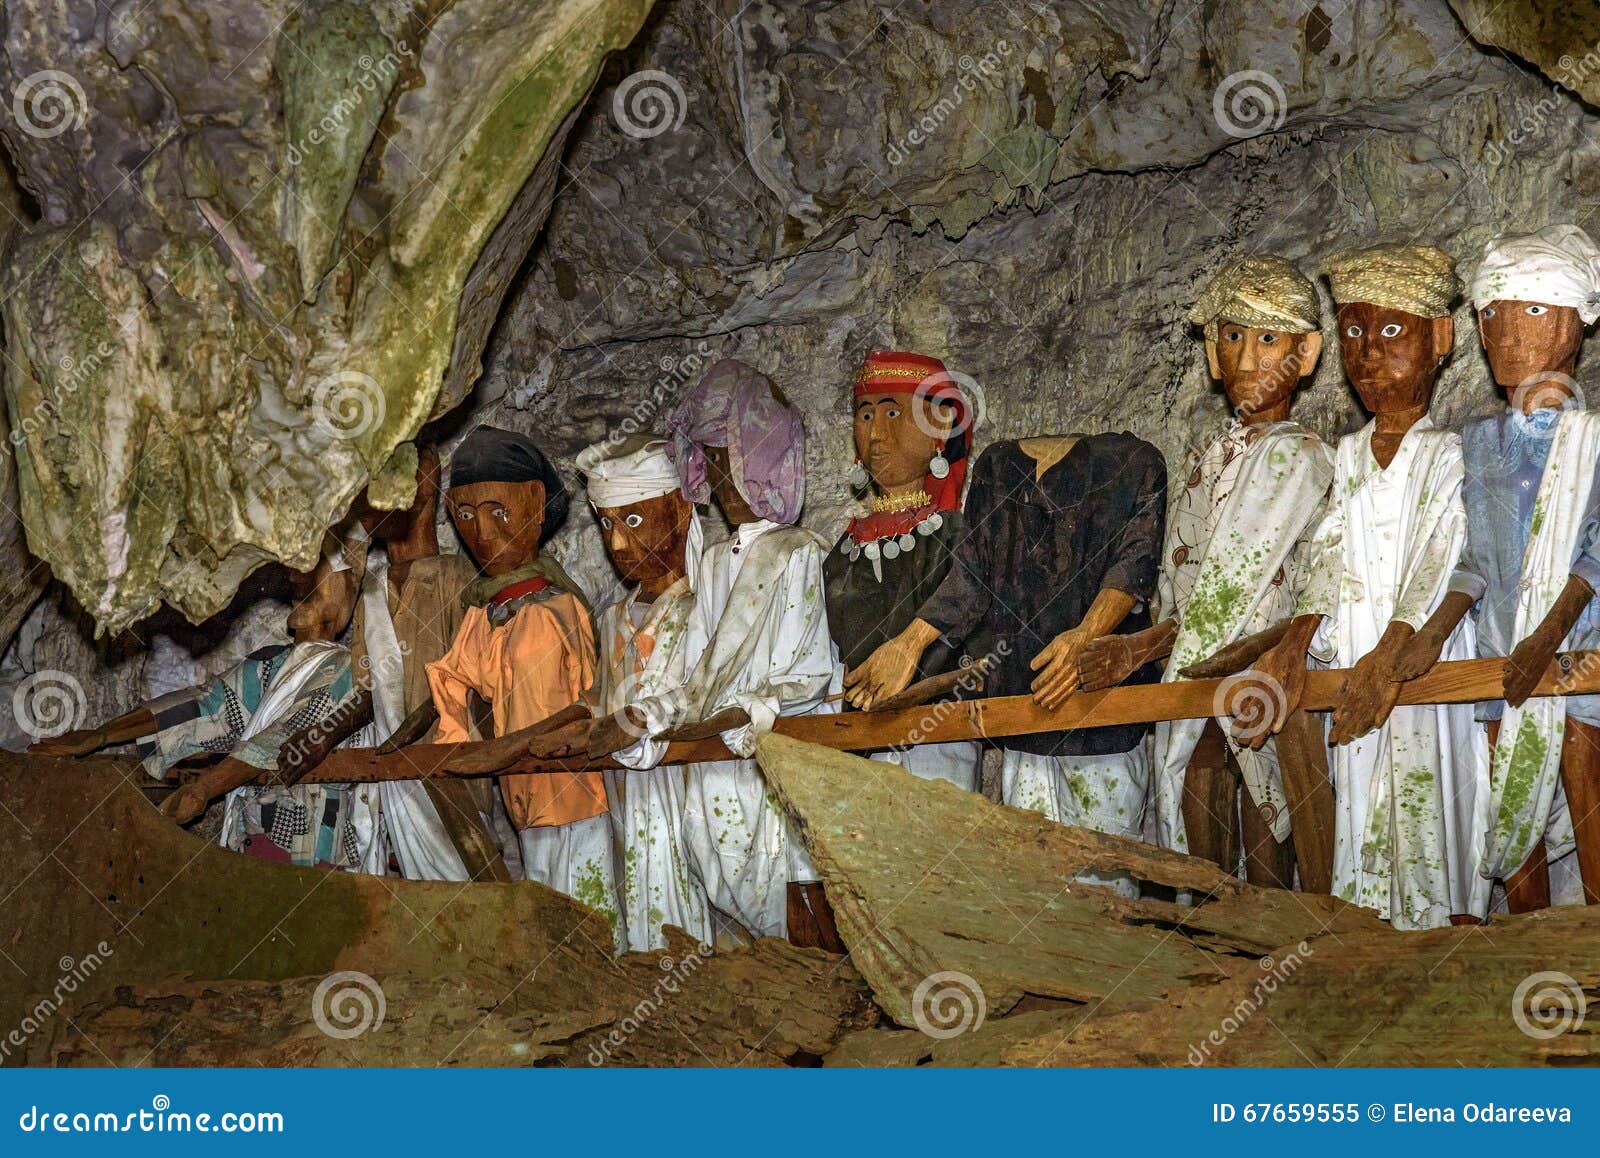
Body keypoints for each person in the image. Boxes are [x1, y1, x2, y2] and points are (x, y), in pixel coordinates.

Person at [1218, 243, 1490, 929]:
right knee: (1361, 813)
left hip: (1422, 672)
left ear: (1443, 338)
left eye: (1392, 332)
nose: (1369, 354)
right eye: (1353, 333)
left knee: (1431, 815)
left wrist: (1392, 652)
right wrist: (1295, 644)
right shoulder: (1345, 455)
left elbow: (1442, 554)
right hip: (1354, 673)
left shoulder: (1447, 452)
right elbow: (1327, 555)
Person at [1078, 256, 1333, 886]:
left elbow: (1318, 584)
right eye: (1232, 337)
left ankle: (1270, 957)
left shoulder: (1310, 459)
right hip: (1195, 682)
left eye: (1268, 339)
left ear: (1305, 353)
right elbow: (1182, 597)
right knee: (1197, 802)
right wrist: (1141, 643)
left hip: (1271, 680)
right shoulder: (1201, 463)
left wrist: (1270, 648)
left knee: (1260, 814)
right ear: (1212, 355)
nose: (1247, 361)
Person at [845, 426, 1167, 898]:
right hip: (1024, 715)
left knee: (1108, 877)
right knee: (1030, 886)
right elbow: (973, 575)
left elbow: (1135, 563)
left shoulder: (1136, 461)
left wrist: (1087, 634)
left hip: (1102, 720)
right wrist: (908, 644)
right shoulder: (998, 467)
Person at [1393, 224, 1600, 910]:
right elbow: (1475, 560)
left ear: (1576, 322)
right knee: (1509, 822)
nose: (1509, 333)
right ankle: (1521, 963)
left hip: (1575, 659)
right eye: (1493, 314)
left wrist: (1547, 637)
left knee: (1582, 774)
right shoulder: (1480, 444)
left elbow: (1596, 551)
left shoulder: (1593, 436)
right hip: (1498, 660)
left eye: (1533, 310)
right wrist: (1431, 633)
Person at [35, 537, 383, 872]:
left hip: (313, 845)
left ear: (346, 593)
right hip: (257, 833)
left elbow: (284, 735)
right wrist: (101, 736)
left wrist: (204, 789)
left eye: (314, 570)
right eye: (296, 570)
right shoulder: (271, 664)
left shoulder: (347, 671)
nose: (295, 576)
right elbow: (204, 705)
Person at [655, 359, 839, 947]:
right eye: (711, 462)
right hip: (721, 754)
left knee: (800, 888)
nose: (723, 481)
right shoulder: (710, 562)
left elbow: (808, 668)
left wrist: (755, 708)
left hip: (782, 745)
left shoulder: (798, 552)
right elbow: (703, 663)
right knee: (726, 873)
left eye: (734, 461)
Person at [426, 427, 617, 930]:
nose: (481, 534)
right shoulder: (486, 611)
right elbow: (449, 673)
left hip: (580, 794)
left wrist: (501, 750)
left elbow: (591, 702)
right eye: (465, 515)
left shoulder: (560, 609)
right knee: (546, 910)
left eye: (498, 511)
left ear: (534, 503)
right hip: (524, 797)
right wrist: (453, 741)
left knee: (590, 908)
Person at [576, 434, 713, 951]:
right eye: (607, 524)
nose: (615, 544)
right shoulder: (612, 618)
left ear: (679, 513)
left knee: (686, 908)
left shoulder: (702, 609)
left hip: (684, 792)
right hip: (625, 795)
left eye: (633, 521)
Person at [824, 351, 982, 790]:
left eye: (894, 411)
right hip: (856, 747)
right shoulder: (842, 550)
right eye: (865, 413)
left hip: (936, 746)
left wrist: (910, 651)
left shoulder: (955, 535)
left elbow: (973, 602)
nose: (877, 432)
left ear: (940, 425)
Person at [348, 446, 507, 881]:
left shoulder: (461, 578)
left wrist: (420, 727)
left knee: (468, 887)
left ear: (425, 489)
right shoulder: (369, 592)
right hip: (395, 782)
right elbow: (366, 692)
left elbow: (481, 681)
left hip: (452, 778)